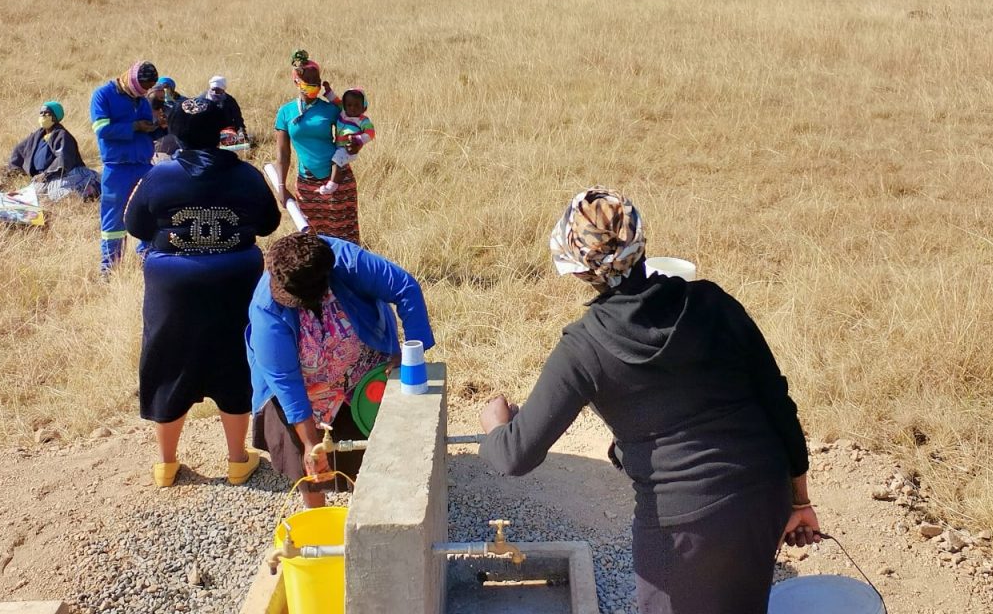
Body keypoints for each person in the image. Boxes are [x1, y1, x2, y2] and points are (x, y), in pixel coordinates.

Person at [477, 187, 820, 614]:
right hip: (762, 495)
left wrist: (496, 424)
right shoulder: (713, 302)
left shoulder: (584, 347)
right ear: (641, 245)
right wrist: (799, 500)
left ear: (574, 265)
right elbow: (779, 404)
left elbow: (514, 456)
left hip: (681, 522)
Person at [124, 97, 282, 488]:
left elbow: (136, 226)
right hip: (235, 285)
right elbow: (267, 224)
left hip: (173, 290)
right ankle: (236, 461)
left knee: (168, 365)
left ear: (175, 132)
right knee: (234, 364)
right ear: (221, 132)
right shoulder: (245, 176)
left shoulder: (158, 177)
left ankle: (166, 465)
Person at [246, 231, 435, 506]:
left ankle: (374, 509)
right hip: (305, 392)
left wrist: (411, 354)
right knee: (307, 461)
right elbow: (286, 382)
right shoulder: (267, 308)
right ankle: (317, 520)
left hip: (362, 377)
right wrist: (311, 443)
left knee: (373, 454)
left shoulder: (345, 262)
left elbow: (405, 287)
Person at [274, 56, 362, 244]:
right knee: (312, 237)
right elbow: (283, 154)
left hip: (338, 179)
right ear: (296, 81)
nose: (314, 85)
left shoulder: (330, 110)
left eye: (317, 81)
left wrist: (355, 144)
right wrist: (281, 187)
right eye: (309, 81)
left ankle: (348, 272)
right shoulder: (286, 112)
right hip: (307, 183)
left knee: (345, 234)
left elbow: (354, 125)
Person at [89, 60, 159, 274]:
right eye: (143, 87)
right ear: (131, 78)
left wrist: (158, 127)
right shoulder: (102, 95)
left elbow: (150, 131)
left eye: (148, 89)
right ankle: (109, 269)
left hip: (144, 167)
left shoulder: (143, 100)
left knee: (150, 214)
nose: (145, 92)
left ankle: (146, 261)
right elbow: (102, 129)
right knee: (113, 221)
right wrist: (134, 127)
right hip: (117, 169)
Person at [7, 101, 100, 201]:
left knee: (58, 195)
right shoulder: (37, 136)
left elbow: (63, 159)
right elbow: (19, 150)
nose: (43, 116)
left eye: (47, 114)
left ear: (55, 117)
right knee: (27, 195)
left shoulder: (62, 135)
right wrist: (15, 169)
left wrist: (46, 174)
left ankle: (94, 188)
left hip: (65, 174)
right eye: (41, 113)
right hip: (44, 178)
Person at [319, 88, 375, 196]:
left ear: (364, 107)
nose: (352, 108)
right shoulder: (343, 111)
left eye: (357, 105)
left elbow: (371, 133)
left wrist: (359, 139)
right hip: (339, 145)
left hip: (349, 148)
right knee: (335, 160)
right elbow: (335, 101)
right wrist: (328, 91)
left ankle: (333, 184)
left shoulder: (363, 120)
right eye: (349, 105)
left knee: (337, 160)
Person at [205, 76, 248, 142]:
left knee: (233, 140)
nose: (215, 92)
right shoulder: (202, 99)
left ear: (223, 89)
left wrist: (241, 132)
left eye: (217, 90)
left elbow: (238, 118)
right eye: (213, 89)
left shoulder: (230, 100)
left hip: (227, 130)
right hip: (208, 130)